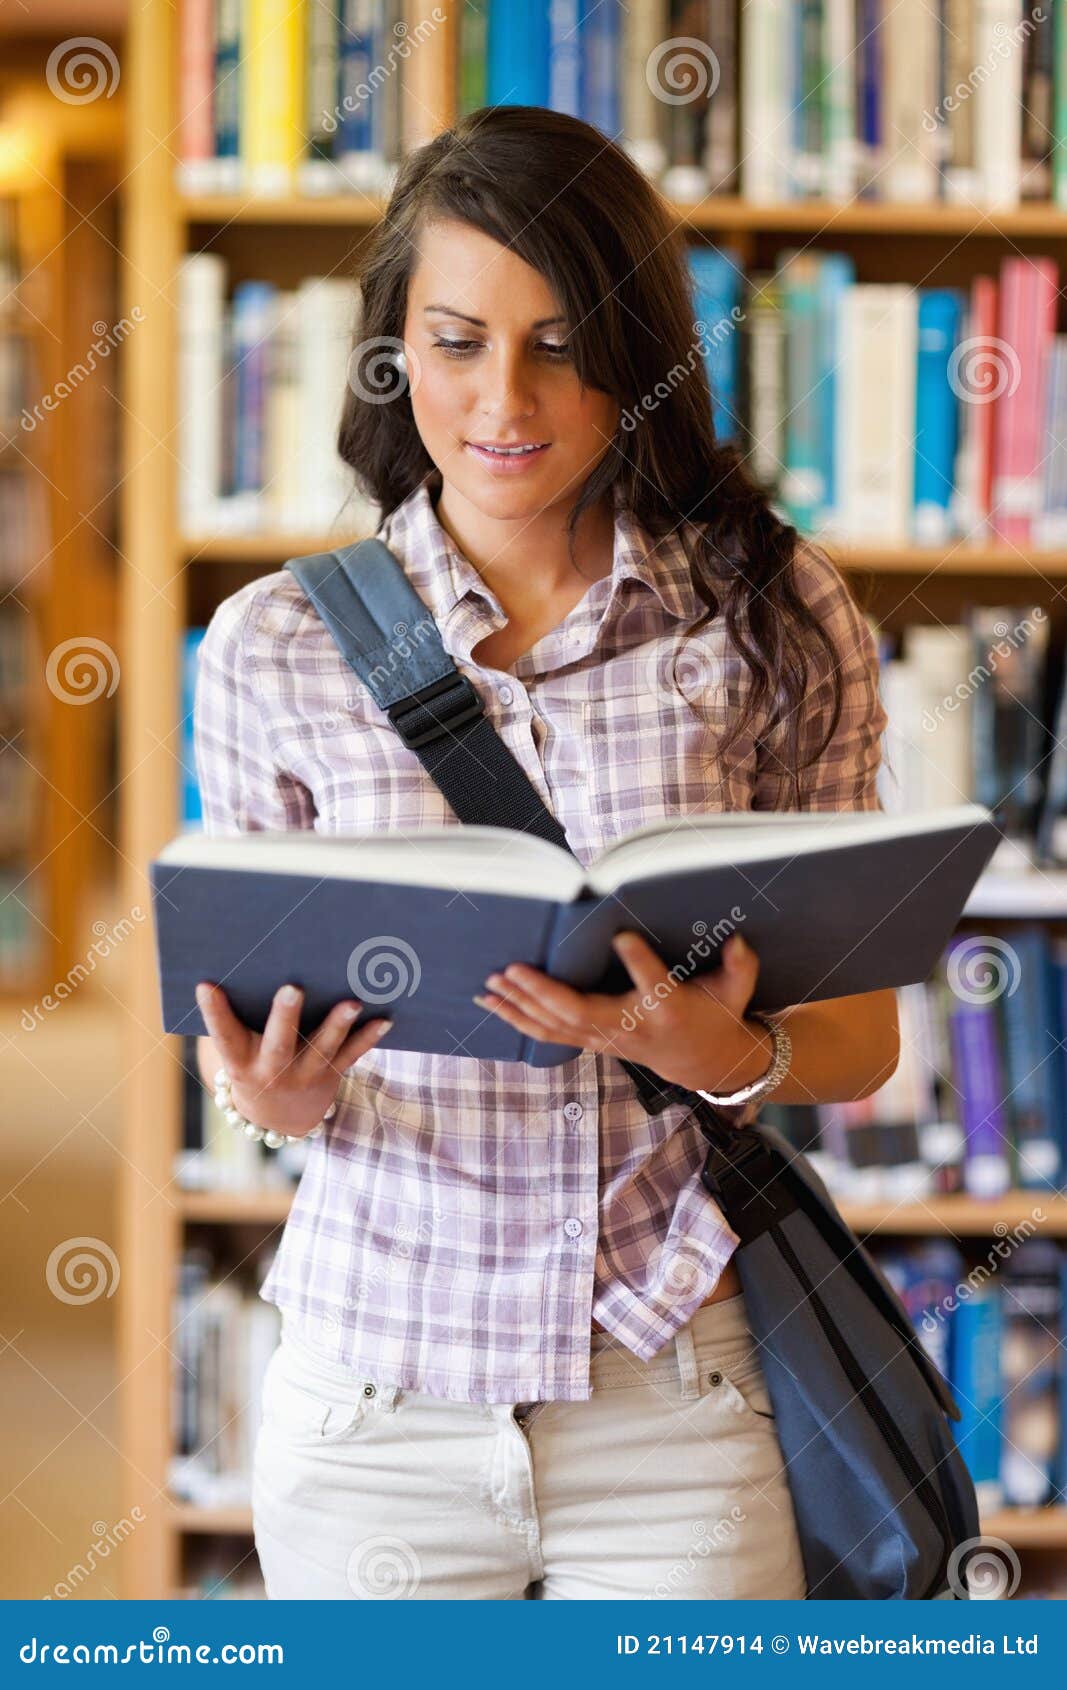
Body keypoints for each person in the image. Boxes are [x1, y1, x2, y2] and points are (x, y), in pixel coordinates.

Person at [192, 105, 898, 1600]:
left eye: (561, 344)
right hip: (373, 1394)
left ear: (637, 354)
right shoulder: (275, 645)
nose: (503, 398)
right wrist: (266, 1093)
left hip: (670, 1398)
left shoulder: (776, 618)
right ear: (395, 354)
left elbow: (861, 1039)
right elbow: (251, 1039)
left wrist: (727, 1050)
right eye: (455, 341)